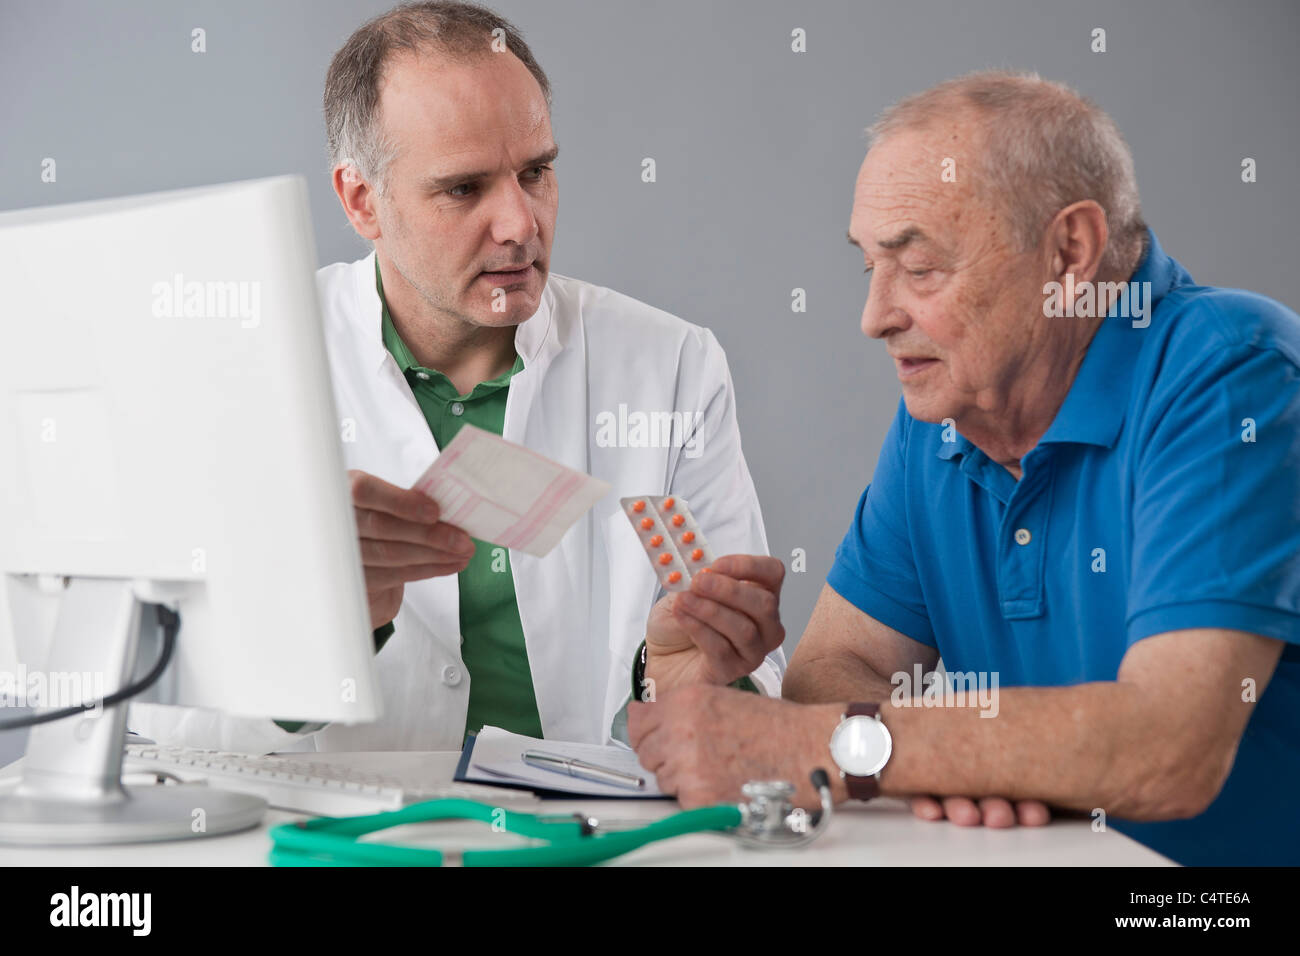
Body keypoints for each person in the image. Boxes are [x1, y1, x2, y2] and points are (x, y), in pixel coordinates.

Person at [628, 70, 1300, 866]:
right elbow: (839, 669)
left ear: (1070, 251)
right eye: (867, 267)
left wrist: (878, 749)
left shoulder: (1232, 373)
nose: (874, 316)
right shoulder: (950, 413)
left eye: (920, 269)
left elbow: (1170, 744)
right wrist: (953, 751)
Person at [128, 0, 785, 753]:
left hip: (586, 838)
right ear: (361, 200)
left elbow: (749, 685)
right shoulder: (241, 367)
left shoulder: (670, 366)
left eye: (536, 172)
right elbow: (157, 714)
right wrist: (328, 628)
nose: (519, 223)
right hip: (348, 843)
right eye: (464, 189)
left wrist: (680, 678)